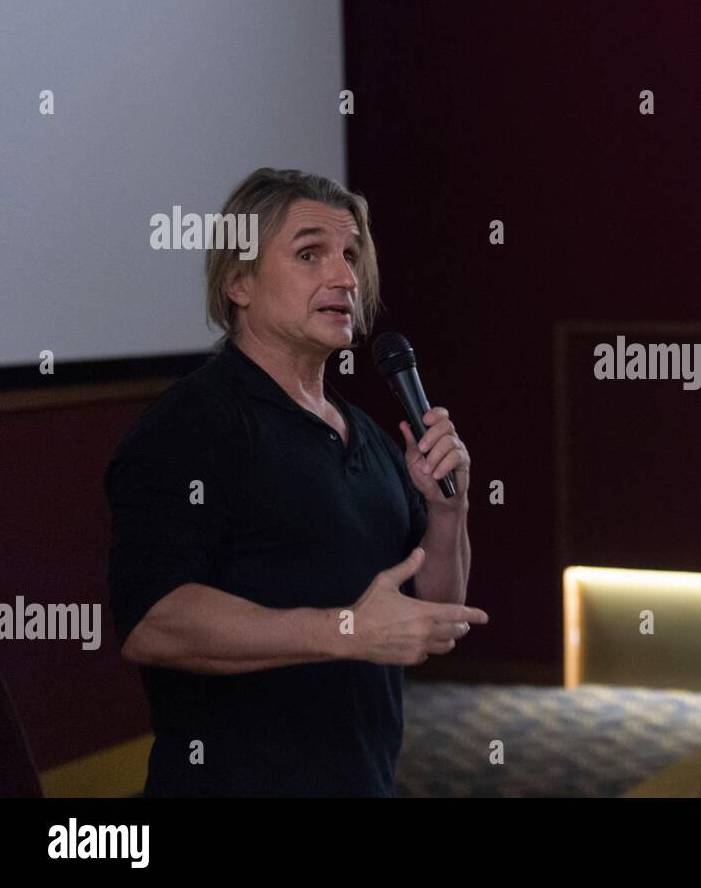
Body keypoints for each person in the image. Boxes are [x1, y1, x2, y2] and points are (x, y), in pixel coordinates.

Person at [105, 168, 488, 796]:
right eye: (310, 254)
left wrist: (449, 512)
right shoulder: (190, 426)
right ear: (239, 280)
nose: (344, 278)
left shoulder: (367, 433)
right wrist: (345, 630)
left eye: (351, 257)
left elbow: (432, 619)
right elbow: (154, 619)